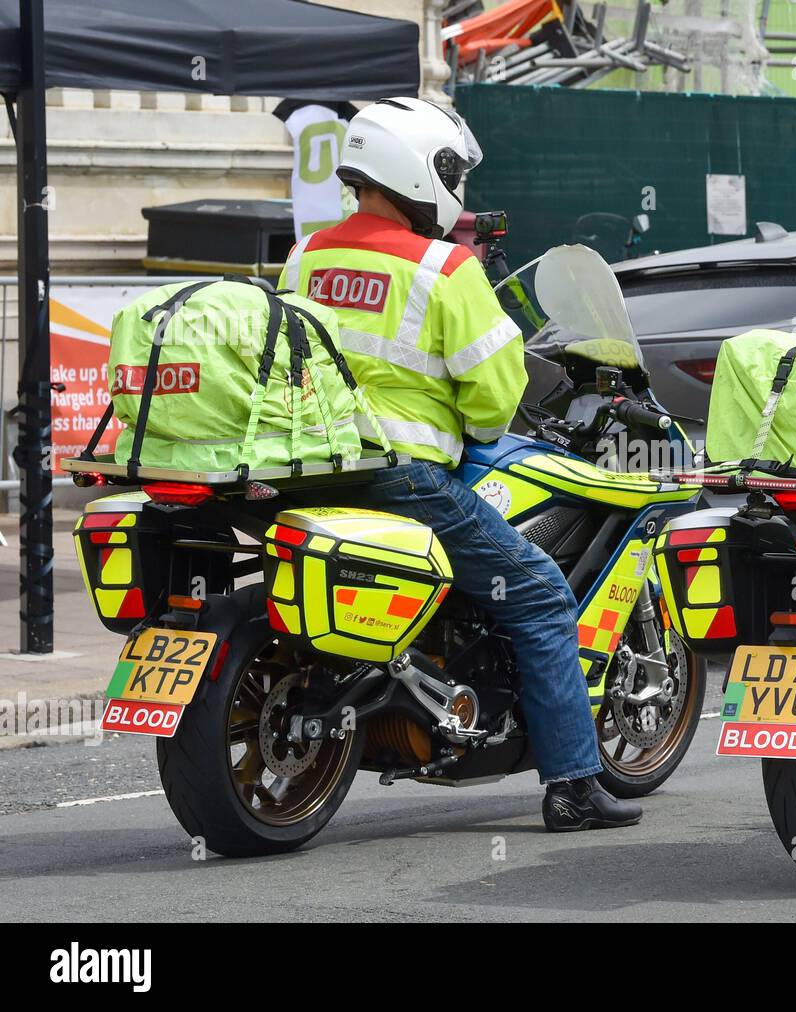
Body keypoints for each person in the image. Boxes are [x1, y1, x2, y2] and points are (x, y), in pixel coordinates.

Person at [278, 97, 640, 833]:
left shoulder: (308, 253)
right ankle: (572, 785)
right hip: (402, 477)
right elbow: (492, 393)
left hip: (312, 468)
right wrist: (474, 424)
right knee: (538, 592)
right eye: (452, 171)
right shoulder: (444, 266)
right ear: (423, 170)